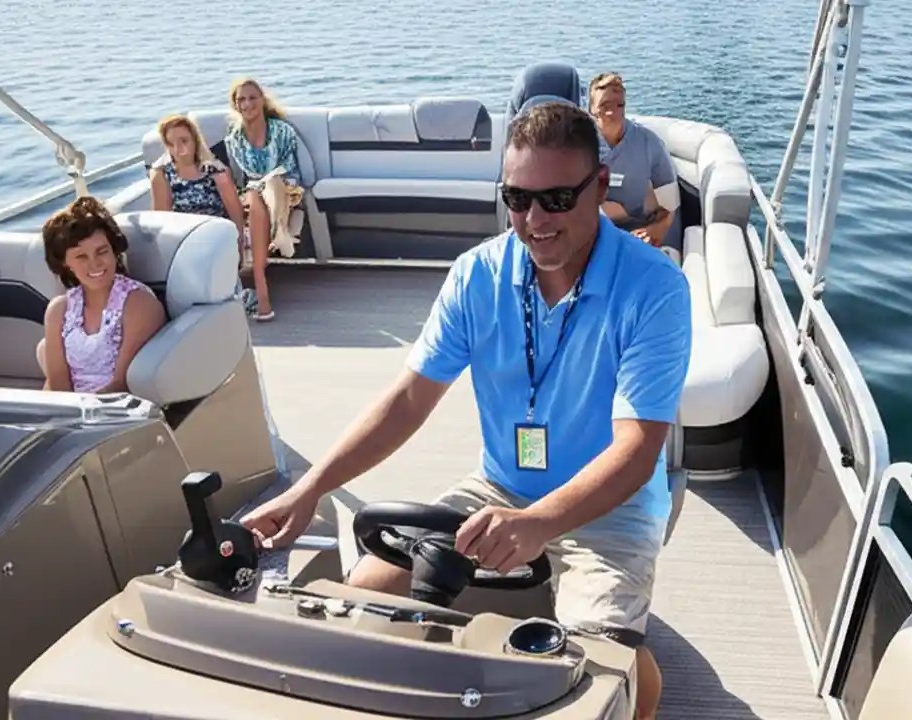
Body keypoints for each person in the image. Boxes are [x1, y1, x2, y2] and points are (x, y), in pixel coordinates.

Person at [240, 101, 693, 720]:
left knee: (601, 675)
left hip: (608, 510)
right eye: (518, 198)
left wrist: (538, 523)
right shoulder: (475, 274)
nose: (534, 220)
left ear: (602, 187)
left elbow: (637, 451)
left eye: (558, 199)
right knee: (362, 604)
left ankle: (647, 683)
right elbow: (406, 401)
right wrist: (310, 489)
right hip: (499, 485)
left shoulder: (656, 289)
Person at [39, 196, 167, 394]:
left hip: (118, 413)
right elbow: (57, 384)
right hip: (73, 413)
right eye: (81, 256)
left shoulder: (139, 304)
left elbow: (123, 385)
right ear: (65, 263)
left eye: (102, 251)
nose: (95, 263)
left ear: (114, 250)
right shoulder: (58, 310)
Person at [223, 77, 305, 322]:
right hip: (253, 190)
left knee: (271, 183)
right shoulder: (234, 136)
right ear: (236, 105)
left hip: (284, 185)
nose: (247, 104)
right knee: (255, 200)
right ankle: (263, 283)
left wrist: (264, 182)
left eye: (252, 98)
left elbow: (289, 166)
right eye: (241, 100)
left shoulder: (282, 130)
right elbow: (241, 174)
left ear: (262, 100)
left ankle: (263, 291)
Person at [589, 72, 682, 253]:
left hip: (636, 230)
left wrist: (653, 231)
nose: (612, 112)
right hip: (589, 230)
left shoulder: (650, 144)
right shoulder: (578, 146)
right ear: (592, 110)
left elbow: (670, 206)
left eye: (619, 105)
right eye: (604, 105)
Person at [150, 114, 246, 246]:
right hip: (185, 240)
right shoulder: (162, 174)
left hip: (217, 237)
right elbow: (162, 221)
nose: (178, 149)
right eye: (171, 144)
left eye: (184, 141)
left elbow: (235, 213)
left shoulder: (215, 170)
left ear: (195, 141)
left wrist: (239, 243)